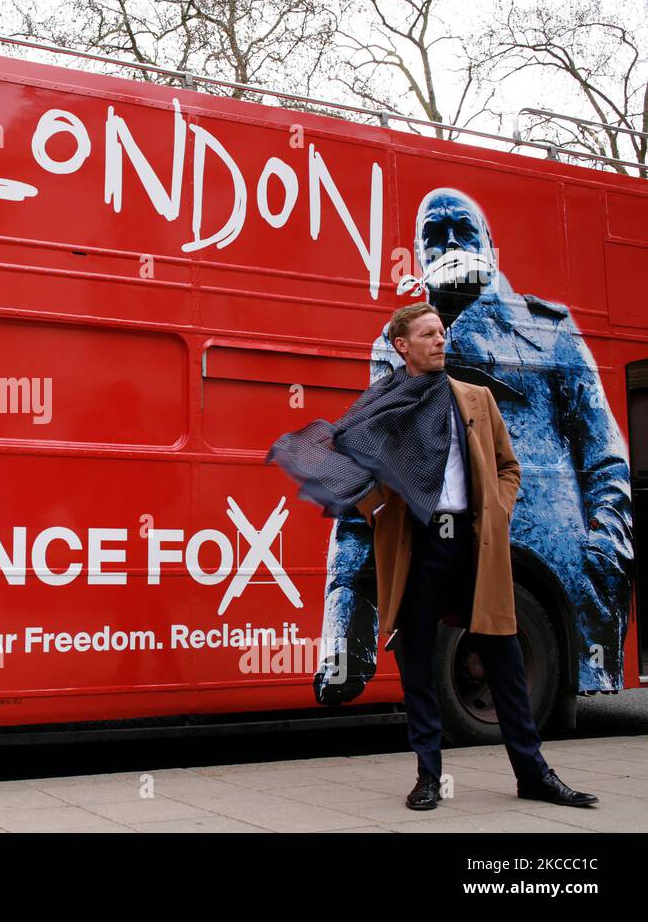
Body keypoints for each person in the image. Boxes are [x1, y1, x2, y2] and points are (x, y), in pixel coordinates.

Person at [269, 301, 598, 809]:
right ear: (403, 346)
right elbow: (334, 453)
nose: (441, 340)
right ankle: (428, 777)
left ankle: (533, 773)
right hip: (418, 546)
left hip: (472, 546)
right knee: (417, 663)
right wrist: (378, 510)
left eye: (441, 332)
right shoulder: (385, 403)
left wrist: (496, 512)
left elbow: (509, 469)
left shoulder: (476, 399)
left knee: (504, 661)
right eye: (428, 334)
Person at [317, 188, 633, 706]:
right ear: (419, 256)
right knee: (424, 677)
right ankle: (432, 777)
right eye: (433, 236)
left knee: (508, 680)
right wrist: (344, 635)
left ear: (489, 245)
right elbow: (366, 487)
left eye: (462, 230)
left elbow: (604, 460)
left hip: (543, 568)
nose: (448, 244)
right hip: (434, 550)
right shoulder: (394, 347)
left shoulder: (551, 333)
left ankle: (533, 771)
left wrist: (602, 555)